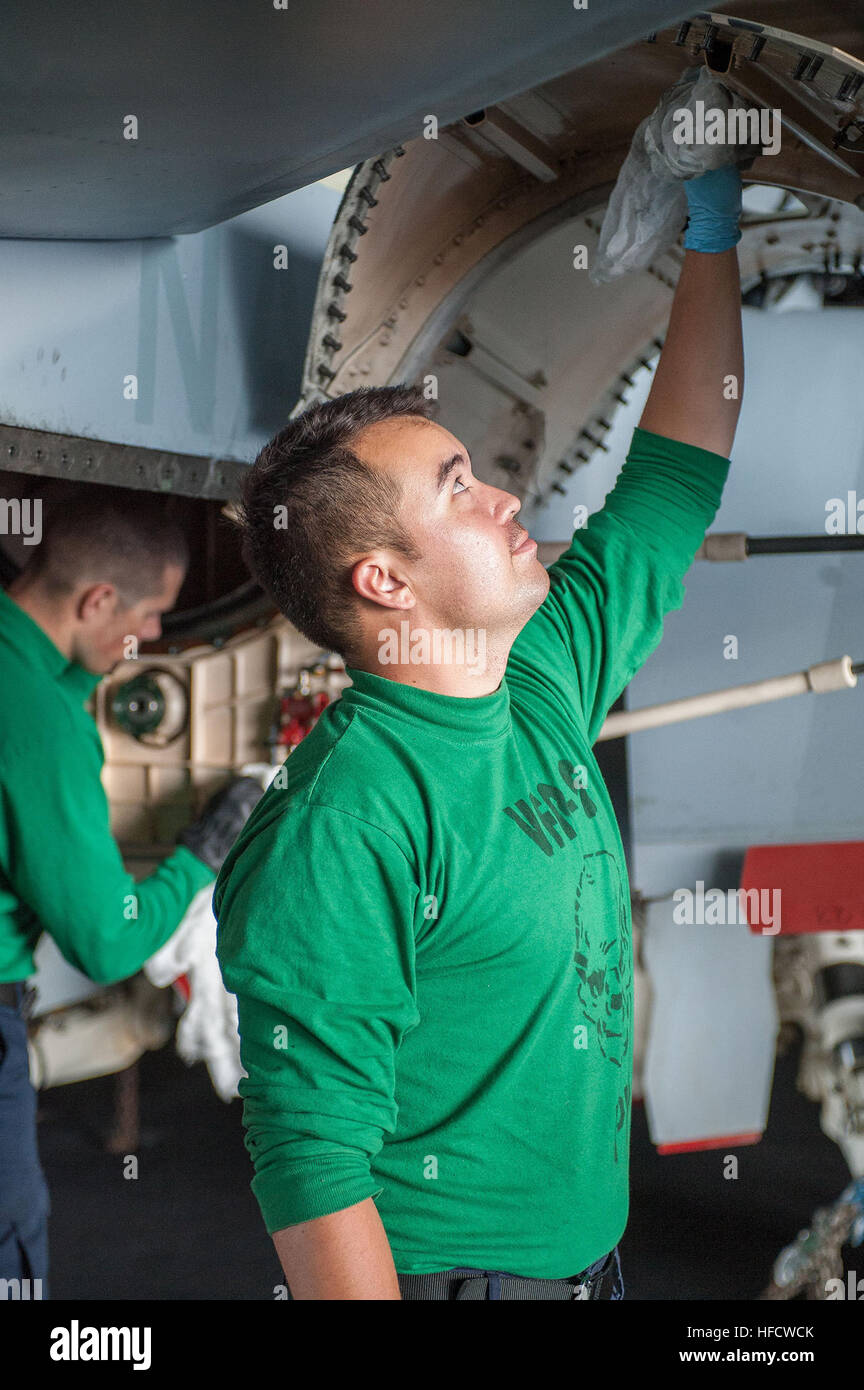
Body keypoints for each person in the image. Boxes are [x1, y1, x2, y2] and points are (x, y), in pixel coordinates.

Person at [214, 164, 745, 1299]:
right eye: (459, 487)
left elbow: (670, 485)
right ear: (383, 580)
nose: (506, 498)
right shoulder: (345, 820)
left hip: (593, 1263)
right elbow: (313, 1162)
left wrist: (711, 231)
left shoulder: (537, 674)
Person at [0, 493, 262, 1294]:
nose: (151, 638)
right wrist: (201, 853)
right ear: (97, 601)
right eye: (151, 615)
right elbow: (110, 941)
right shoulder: (40, 718)